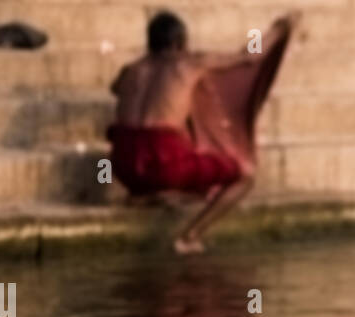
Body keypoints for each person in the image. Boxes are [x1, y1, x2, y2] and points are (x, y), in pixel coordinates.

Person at [107, 10, 298, 253]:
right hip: (164, 163)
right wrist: (278, 29)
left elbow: (115, 89)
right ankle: (189, 237)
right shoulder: (190, 62)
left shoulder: (130, 69)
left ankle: (146, 195)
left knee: (178, 166)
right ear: (179, 42)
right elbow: (249, 55)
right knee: (244, 176)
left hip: (123, 165)